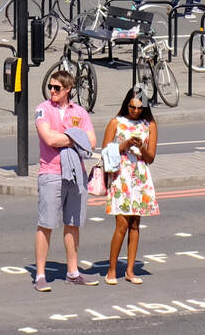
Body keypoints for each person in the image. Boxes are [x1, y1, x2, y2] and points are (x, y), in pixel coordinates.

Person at [33, 69, 98, 292]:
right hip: (51, 172)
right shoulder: (42, 110)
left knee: (73, 223)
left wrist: (69, 139)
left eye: (57, 88)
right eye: (50, 87)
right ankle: (40, 275)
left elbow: (91, 141)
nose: (52, 91)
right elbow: (49, 138)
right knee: (46, 224)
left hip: (76, 172)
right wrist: (74, 137)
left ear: (68, 89)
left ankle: (73, 272)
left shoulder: (79, 111)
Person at [102, 84, 159, 285]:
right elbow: (105, 151)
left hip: (140, 177)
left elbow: (151, 157)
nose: (135, 111)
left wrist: (141, 147)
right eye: (132, 107)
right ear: (127, 104)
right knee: (122, 224)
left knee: (135, 224)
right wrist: (124, 145)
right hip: (121, 176)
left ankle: (130, 270)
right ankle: (111, 270)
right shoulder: (115, 122)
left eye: (139, 107)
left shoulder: (149, 125)